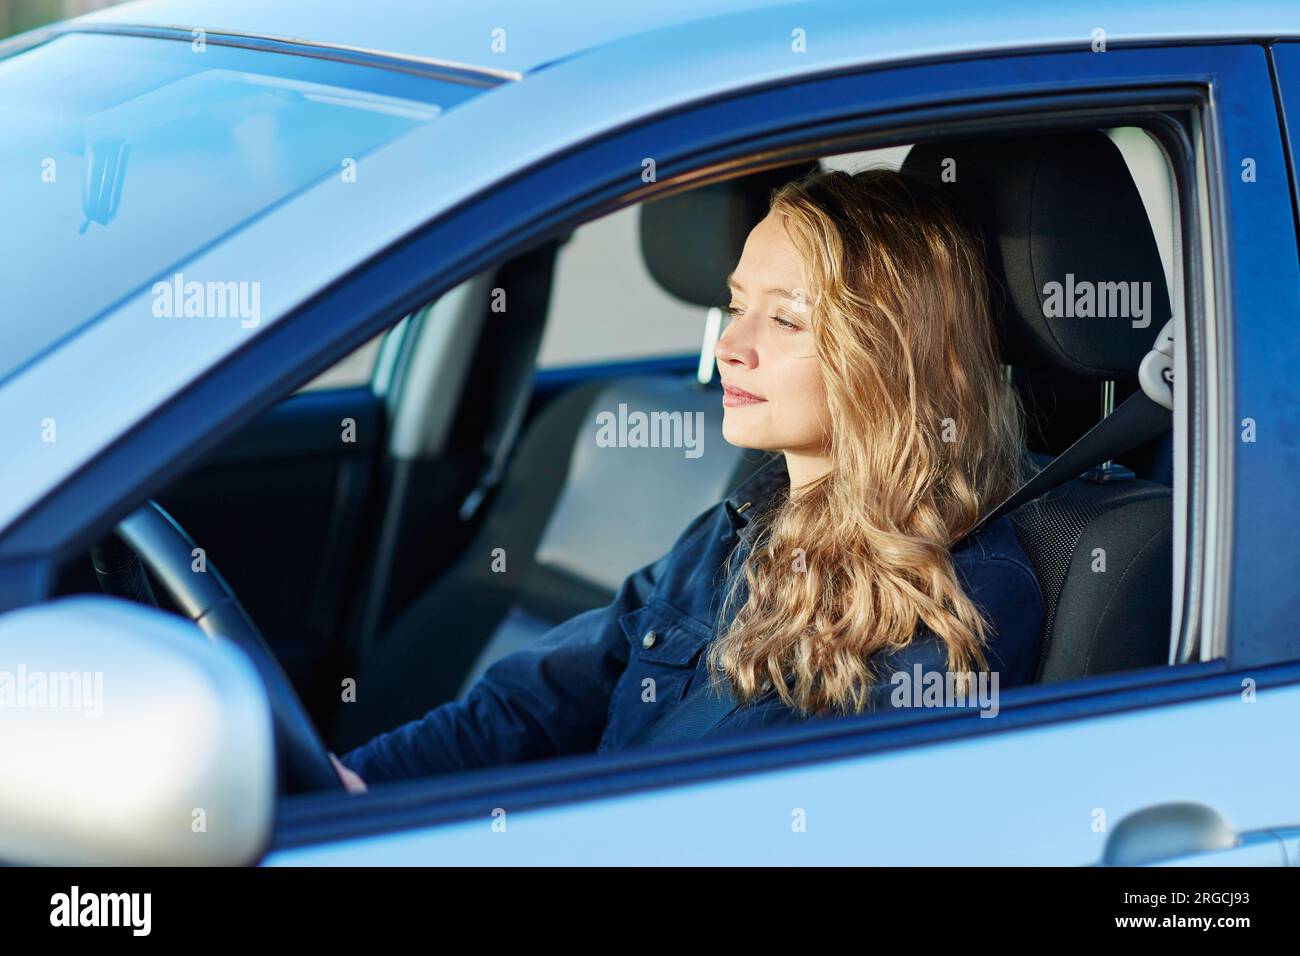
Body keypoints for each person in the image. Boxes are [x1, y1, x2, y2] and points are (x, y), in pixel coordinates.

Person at [331, 167, 1044, 792]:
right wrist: (361, 783)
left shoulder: (956, 595)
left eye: (786, 322)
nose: (731, 347)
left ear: (891, 354)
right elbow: (544, 693)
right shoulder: (738, 526)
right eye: (737, 308)